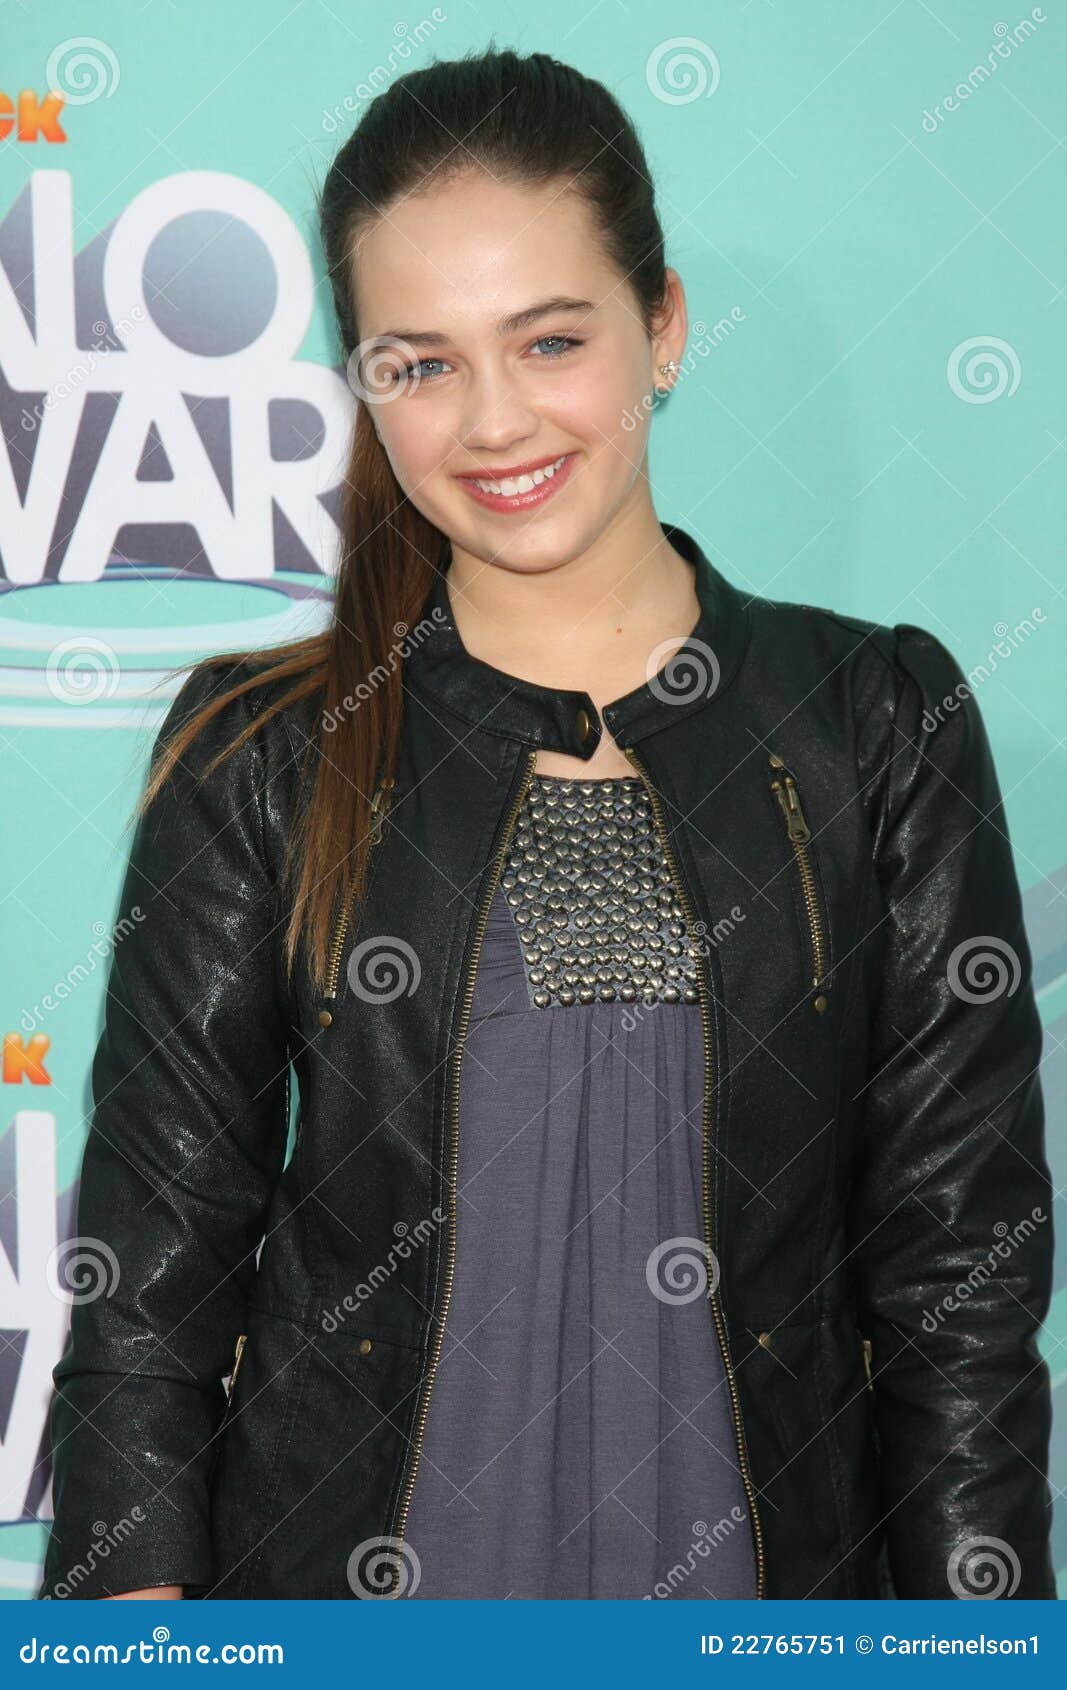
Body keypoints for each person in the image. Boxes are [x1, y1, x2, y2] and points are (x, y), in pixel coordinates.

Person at [37, 47, 1054, 1603]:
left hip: (765, 1611)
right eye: (419, 363)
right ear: (365, 388)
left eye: (551, 339)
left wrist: (977, 1634)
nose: (494, 420)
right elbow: (151, 1290)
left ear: (663, 327)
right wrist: (138, 1635)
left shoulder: (873, 722)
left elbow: (957, 1288)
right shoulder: (263, 753)